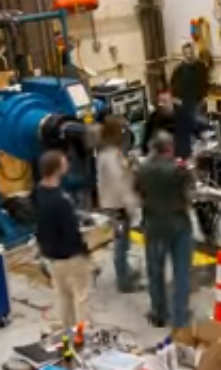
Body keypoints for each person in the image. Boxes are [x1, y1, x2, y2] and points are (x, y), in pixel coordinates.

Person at [136, 131, 196, 329]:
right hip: (178, 225)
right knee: (181, 273)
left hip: (154, 225)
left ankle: (159, 313)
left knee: (155, 271)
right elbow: (189, 196)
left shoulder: (142, 169)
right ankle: (180, 318)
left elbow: (139, 194)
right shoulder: (179, 170)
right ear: (170, 148)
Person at [33, 150, 90, 331]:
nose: (67, 164)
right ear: (57, 168)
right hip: (71, 256)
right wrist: (84, 251)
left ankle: (68, 332)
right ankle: (83, 333)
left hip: (51, 255)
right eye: (64, 162)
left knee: (63, 296)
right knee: (81, 296)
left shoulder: (38, 192)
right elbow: (71, 231)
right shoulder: (61, 200)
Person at [97, 116, 141, 293]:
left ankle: (126, 272)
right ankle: (124, 282)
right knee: (121, 244)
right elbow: (119, 184)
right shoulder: (108, 156)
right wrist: (131, 205)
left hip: (117, 204)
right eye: (122, 131)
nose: (124, 135)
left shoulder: (112, 151)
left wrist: (128, 164)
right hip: (117, 206)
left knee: (124, 241)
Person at [170, 41, 210, 158]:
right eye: (187, 53)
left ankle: (206, 152)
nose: (189, 55)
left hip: (199, 102)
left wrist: (204, 96)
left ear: (194, 52)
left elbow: (205, 82)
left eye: (191, 52)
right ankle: (191, 155)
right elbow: (173, 87)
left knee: (203, 128)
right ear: (183, 54)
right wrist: (176, 100)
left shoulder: (201, 66)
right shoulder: (179, 69)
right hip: (185, 104)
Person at [143, 88, 178, 154]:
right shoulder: (152, 118)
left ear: (172, 101)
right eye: (158, 102)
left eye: (164, 101)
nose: (160, 105)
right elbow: (145, 146)